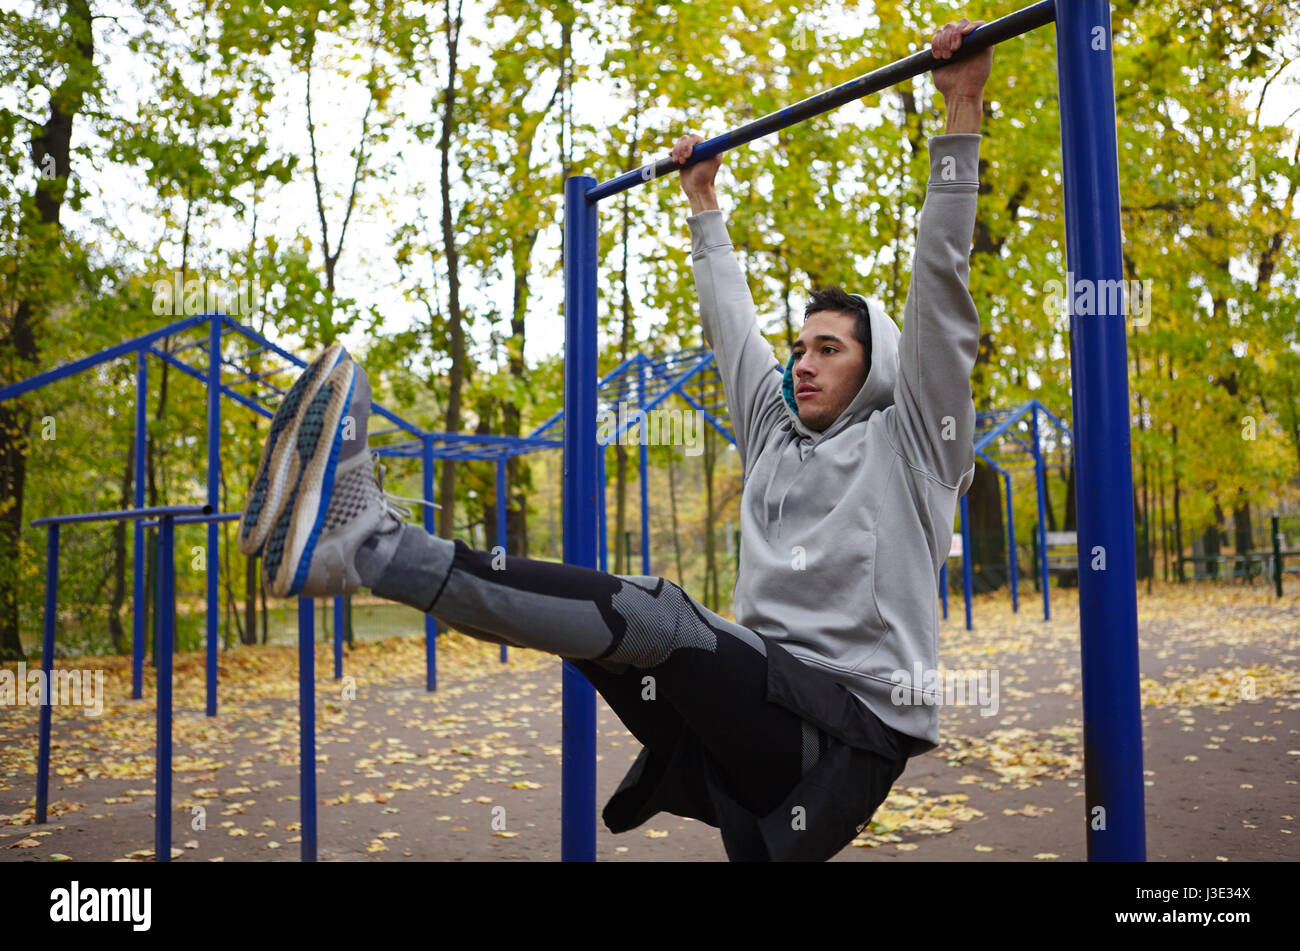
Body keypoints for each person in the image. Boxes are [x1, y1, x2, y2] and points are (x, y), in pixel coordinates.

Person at [237, 17, 990, 862]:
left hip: (849, 731)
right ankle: (363, 551)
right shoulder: (776, 436)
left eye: (829, 349)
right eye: (800, 346)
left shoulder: (916, 443)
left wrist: (961, 110)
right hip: (753, 708)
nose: (802, 363)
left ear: (879, 368)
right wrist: (704, 202)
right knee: (601, 631)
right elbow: (734, 331)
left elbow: (939, 288)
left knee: (656, 614)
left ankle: (372, 550)